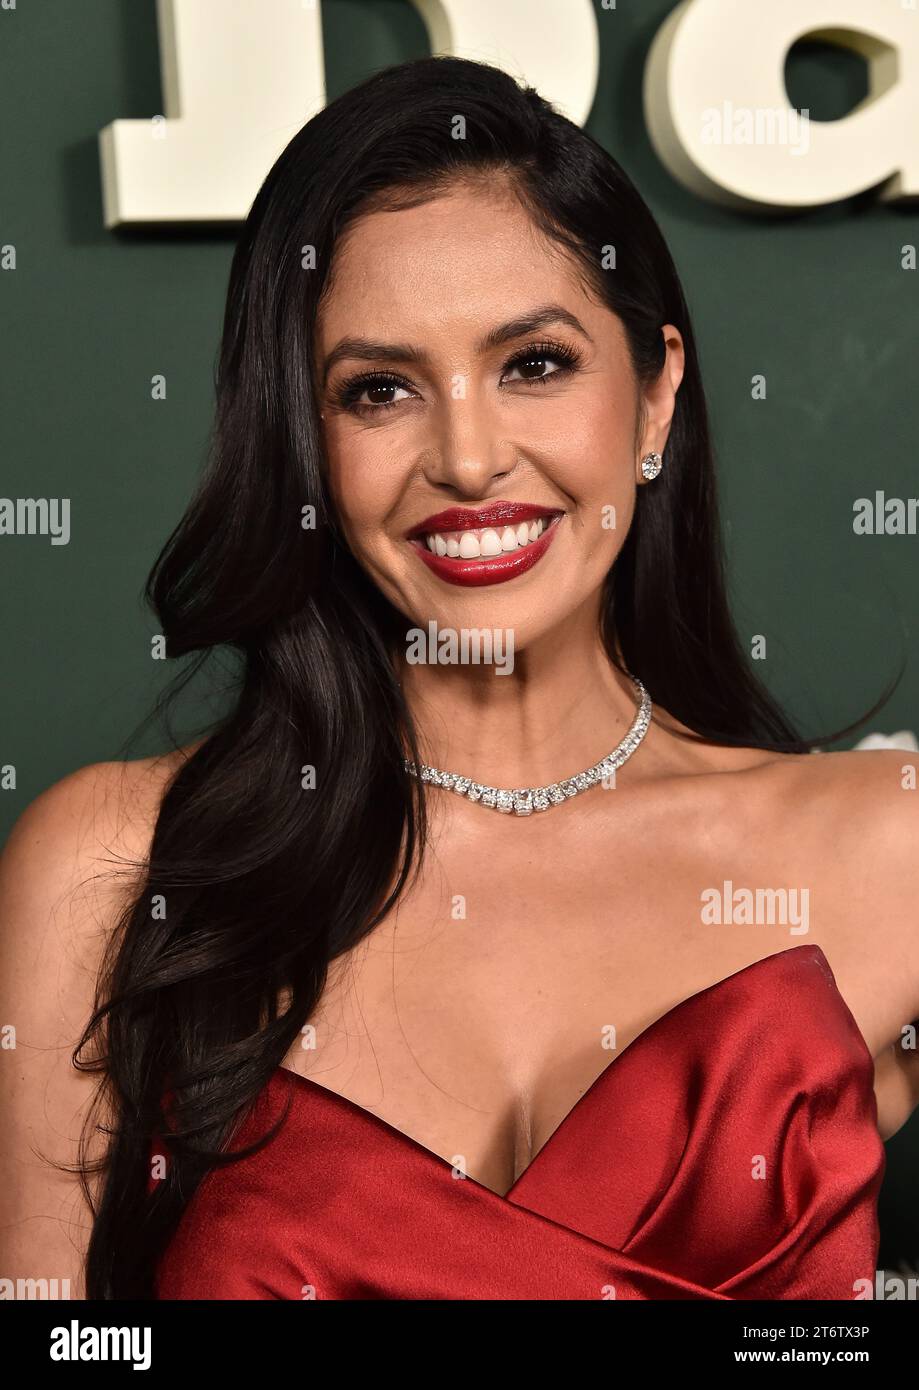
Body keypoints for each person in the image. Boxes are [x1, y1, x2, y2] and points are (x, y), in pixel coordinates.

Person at [1, 55, 917, 1302]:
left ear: (654, 396)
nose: (469, 457)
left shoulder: (886, 851)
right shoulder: (109, 869)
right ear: (304, 447)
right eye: (378, 390)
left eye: (532, 363)